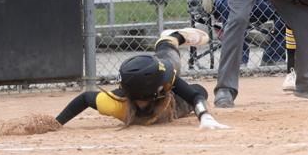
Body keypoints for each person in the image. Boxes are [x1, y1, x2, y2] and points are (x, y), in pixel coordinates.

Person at [55, 27, 228, 129]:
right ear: (150, 91)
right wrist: (57, 123)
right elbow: (85, 98)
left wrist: (204, 115)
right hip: (169, 103)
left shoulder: (165, 81)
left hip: (165, 91)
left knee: (169, 59)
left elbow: (194, 96)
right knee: (200, 90)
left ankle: (173, 37)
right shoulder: (116, 104)